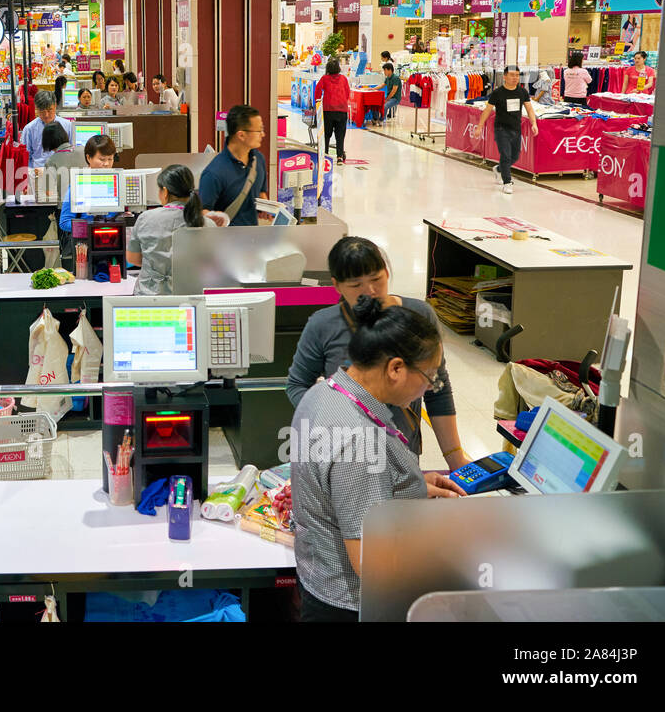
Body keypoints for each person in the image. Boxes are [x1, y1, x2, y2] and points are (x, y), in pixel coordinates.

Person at [292, 294, 466, 621]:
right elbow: (373, 567)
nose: (429, 390)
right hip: (351, 606)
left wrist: (402, 485)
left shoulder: (323, 393)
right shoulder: (360, 442)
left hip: (318, 581)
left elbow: (337, 487)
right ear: (396, 368)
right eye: (430, 378)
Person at [286, 235, 468, 466]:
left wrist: (456, 460)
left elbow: (437, 390)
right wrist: (332, 418)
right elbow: (297, 384)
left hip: (402, 451)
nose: (370, 290)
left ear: (387, 272)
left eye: (376, 279)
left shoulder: (418, 316)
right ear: (336, 286)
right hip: (346, 454)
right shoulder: (323, 325)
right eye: (355, 285)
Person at [126, 165, 220, 296]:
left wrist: (155, 263)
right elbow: (212, 264)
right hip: (190, 301)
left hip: (150, 299)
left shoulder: (146, 218)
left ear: (165, 192)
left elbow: (133, 258)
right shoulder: (208, 224)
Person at [473, 64, 538, 194]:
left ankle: (499, 169)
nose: (515, 78)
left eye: (517, 75)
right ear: (505, 77)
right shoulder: (497, 93)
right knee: (506, 155)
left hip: (516, 128)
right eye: (512, 75)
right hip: (501, 128)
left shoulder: (522, 92)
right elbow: (487, 110)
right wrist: (479, 126)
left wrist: (534, 123)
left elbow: (529, 109)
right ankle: (507, 182)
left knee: (515, 156)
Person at [199, 104, 267, 227]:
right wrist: (212, 217)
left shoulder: (259, 160)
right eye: (259, 130)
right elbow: (202, 214)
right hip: (225, 242)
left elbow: (261, 192)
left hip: (253, 239)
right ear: (241, 135)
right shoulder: (213, 173)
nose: (263, 134)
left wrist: (265, 206)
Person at [58, 134, 117, 267]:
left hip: (113, 245)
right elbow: (65, 222)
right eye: (101, 159)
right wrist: (92, 226)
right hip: (86, 247)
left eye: (110, 159)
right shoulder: (76, 184)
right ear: (88, 158)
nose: (106, 164)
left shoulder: (116, 181)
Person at [20, 90, 74, 170]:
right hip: (38, 171)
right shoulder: (29, 129)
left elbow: (72, 151)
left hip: (62, 170)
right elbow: (26, 157)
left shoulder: (67, 125)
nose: (46, 115)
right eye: (42, 111)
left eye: (49, 110)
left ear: (55, 106)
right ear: (36, 109)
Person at [313, 58, 350, 162]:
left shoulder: (324, 78)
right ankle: (339, 156)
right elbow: (347, 93)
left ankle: (325, 154)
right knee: (340, 134)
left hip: (328, 110)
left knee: (326, 134)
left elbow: (317, 91)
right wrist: (342, 102)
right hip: (342, 110)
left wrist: (318, 104)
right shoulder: (343, 78)